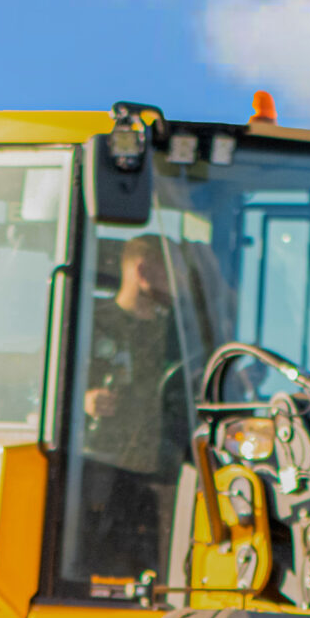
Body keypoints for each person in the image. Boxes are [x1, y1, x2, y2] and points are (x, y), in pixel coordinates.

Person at [78, 233, 194, 584]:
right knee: (101, 564)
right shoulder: (88, 321)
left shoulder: (178, 333)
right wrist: (84, 401)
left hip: (164, 473)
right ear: (142, 270)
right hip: (102, 467)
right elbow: (49, 385)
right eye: (169, 272)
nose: (176, 284)